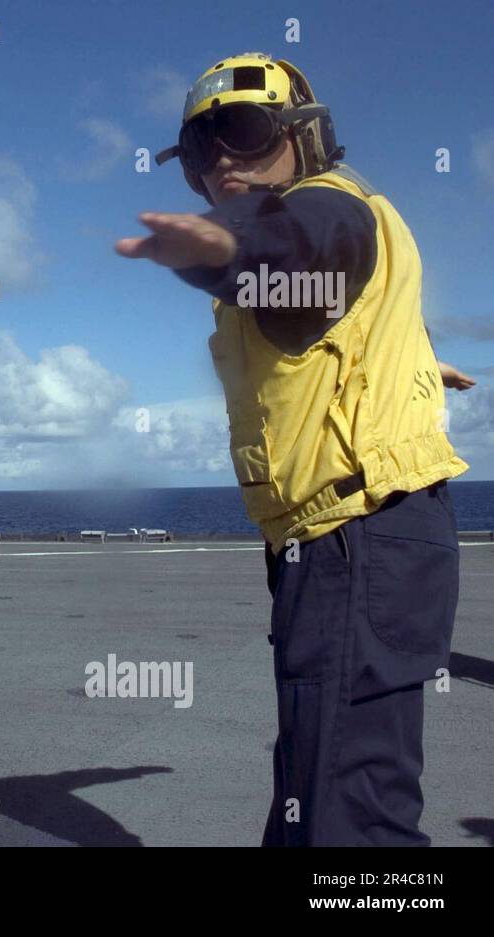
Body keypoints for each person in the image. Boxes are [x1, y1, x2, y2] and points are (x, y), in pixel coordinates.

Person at [115, 53, 470, 845]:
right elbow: (341, 311)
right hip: (338, 544)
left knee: (352, 819)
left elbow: (295, 257)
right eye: (199, 152)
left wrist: (220, 250)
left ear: (305, 135)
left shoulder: (323, 208)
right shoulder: (343, 224)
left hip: (360, 536)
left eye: (242, 131)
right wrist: (418, 359)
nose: (221, 164)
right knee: (314, 790)